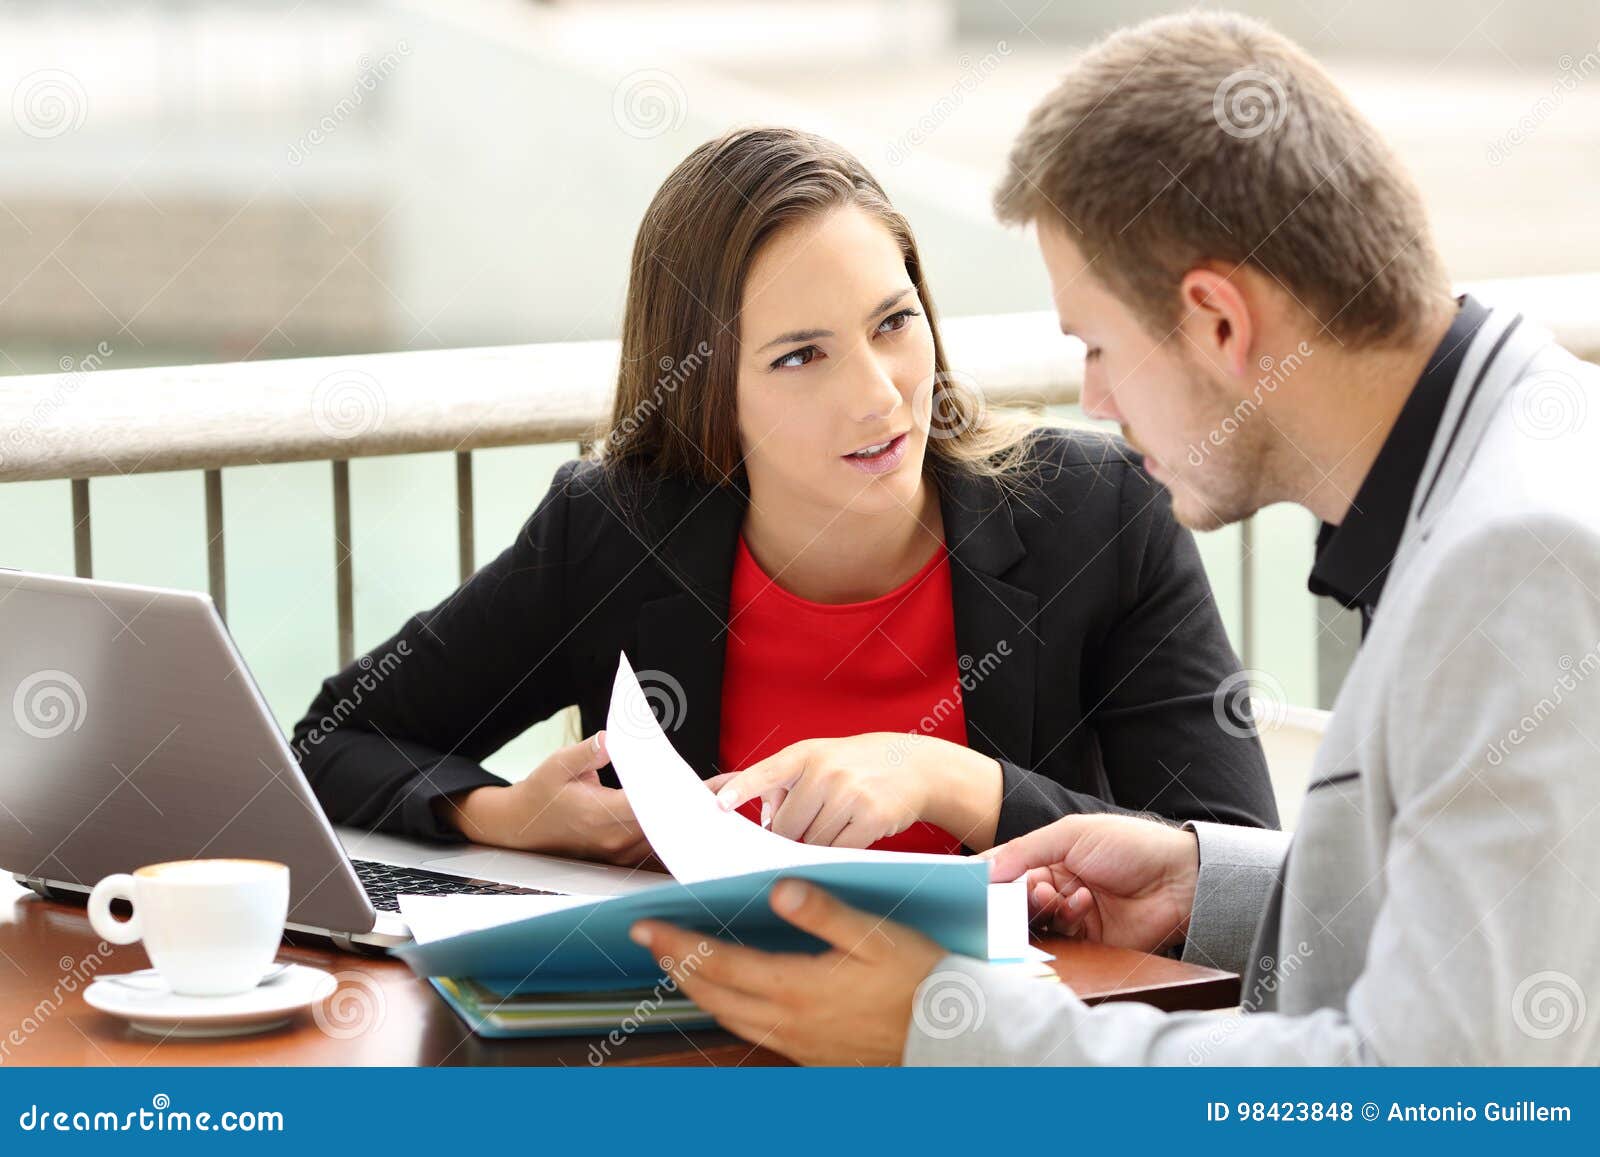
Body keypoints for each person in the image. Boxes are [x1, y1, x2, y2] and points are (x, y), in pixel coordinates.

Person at [630, 12, 1600, 1065]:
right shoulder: (1528, 445)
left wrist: (948, 1030)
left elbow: (1444, 1101)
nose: (1094, 398)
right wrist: (1208, 885)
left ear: (1219, 322)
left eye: (1097, 345)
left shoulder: (1509, 567)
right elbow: (1496, 915)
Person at [292, 126, 1277, 867]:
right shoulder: (613, 531)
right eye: (801, 355)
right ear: (707, 392)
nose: (877, 393)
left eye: (892, 323)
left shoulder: (1097, 515)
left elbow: (1241, 869)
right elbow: (331, 741)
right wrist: (506, 813)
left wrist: (957, 783)